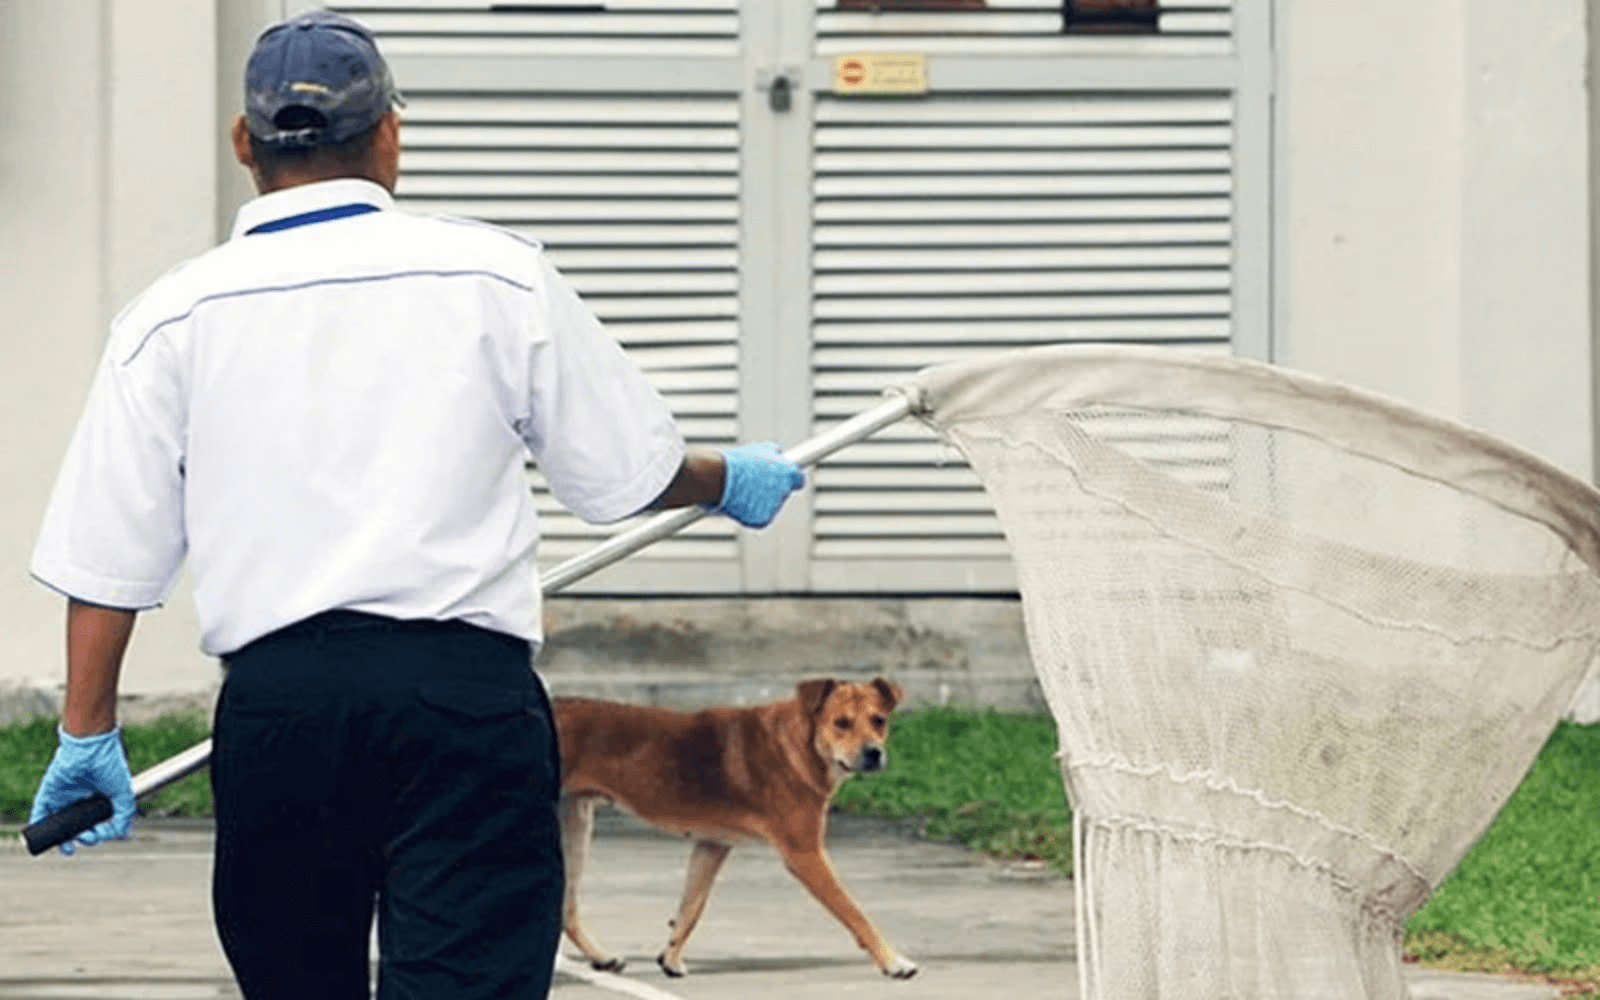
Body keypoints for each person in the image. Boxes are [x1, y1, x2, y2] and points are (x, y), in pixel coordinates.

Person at [26, 10, 805, 999]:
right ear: (389, 132)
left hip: (281, 713)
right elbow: (626, 474)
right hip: (461, 705)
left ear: (243, 142)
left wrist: (86, 735)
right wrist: (722, 479)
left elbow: (109, 555)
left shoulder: (171, 316)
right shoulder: (495, 277)